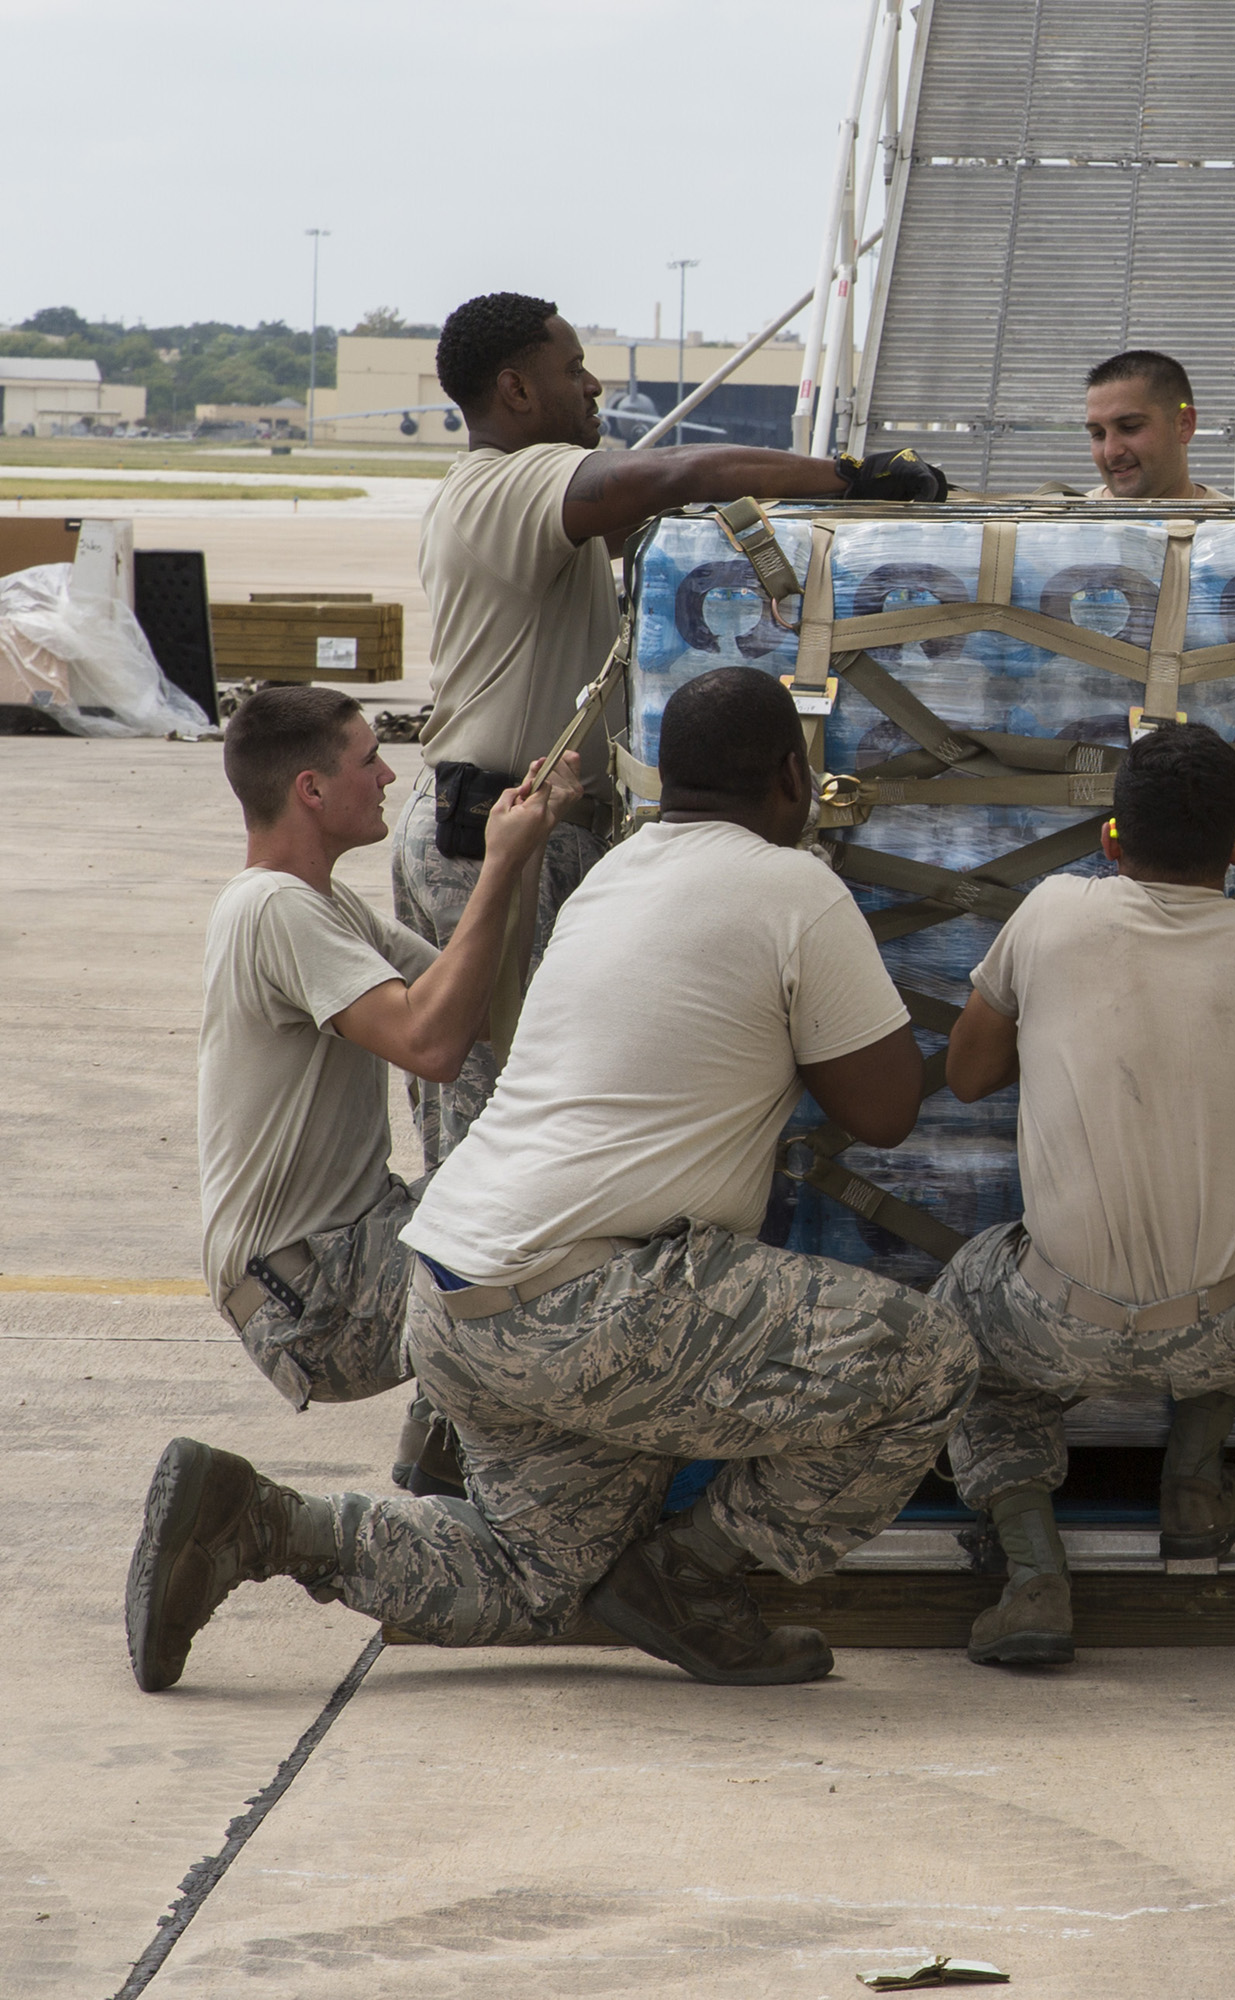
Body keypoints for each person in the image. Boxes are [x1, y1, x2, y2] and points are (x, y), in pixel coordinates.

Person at [127, 669, 976, 1694]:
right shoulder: (795, 889)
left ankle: (264, 1521)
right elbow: (884, 1109)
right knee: (930, 1360)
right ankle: (690, 1571)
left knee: (540, 1577)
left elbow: (483, 1008)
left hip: (451, 1293)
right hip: (572, 1305)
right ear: (794, 779)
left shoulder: (610, 879)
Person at [396, 291, 950, 1164]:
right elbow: (682, 475)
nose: (593, 386)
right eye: (573, 369)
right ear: (516, 390)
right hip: (492, 833)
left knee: (529, 1094)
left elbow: (664, 521)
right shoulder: (511, 482)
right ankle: (461, 1290)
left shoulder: (528, 510)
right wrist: (853, 476)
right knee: (491, 1113)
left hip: (517, 821)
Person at [930, 722, 1235, 1669]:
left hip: (1055, 1321)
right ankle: (1193, 1486)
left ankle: (1033, 1573)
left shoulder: (1051, 912)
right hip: (1220, 1327)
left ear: (1111, 839)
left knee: (962, 1321)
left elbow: (967, 1076)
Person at [198, 686, 576, 1490]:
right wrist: (499, 858)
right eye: (369, 760)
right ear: (311, 790)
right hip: (311, 1297)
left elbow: (474, 1011)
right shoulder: (274, 908)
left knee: (554, 1181)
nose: (389, 776)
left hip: (341, 1258)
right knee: (578, 1242)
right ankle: (484, 1466)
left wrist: (527, 843)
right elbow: (431, 1045)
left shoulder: (324, 904)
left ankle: (450, 1438)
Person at [1085, 350, 1226, 501]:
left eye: (1129, 427)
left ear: (1184, 425)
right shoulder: (1068, 521)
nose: (1110, 452)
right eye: (1098, 434)